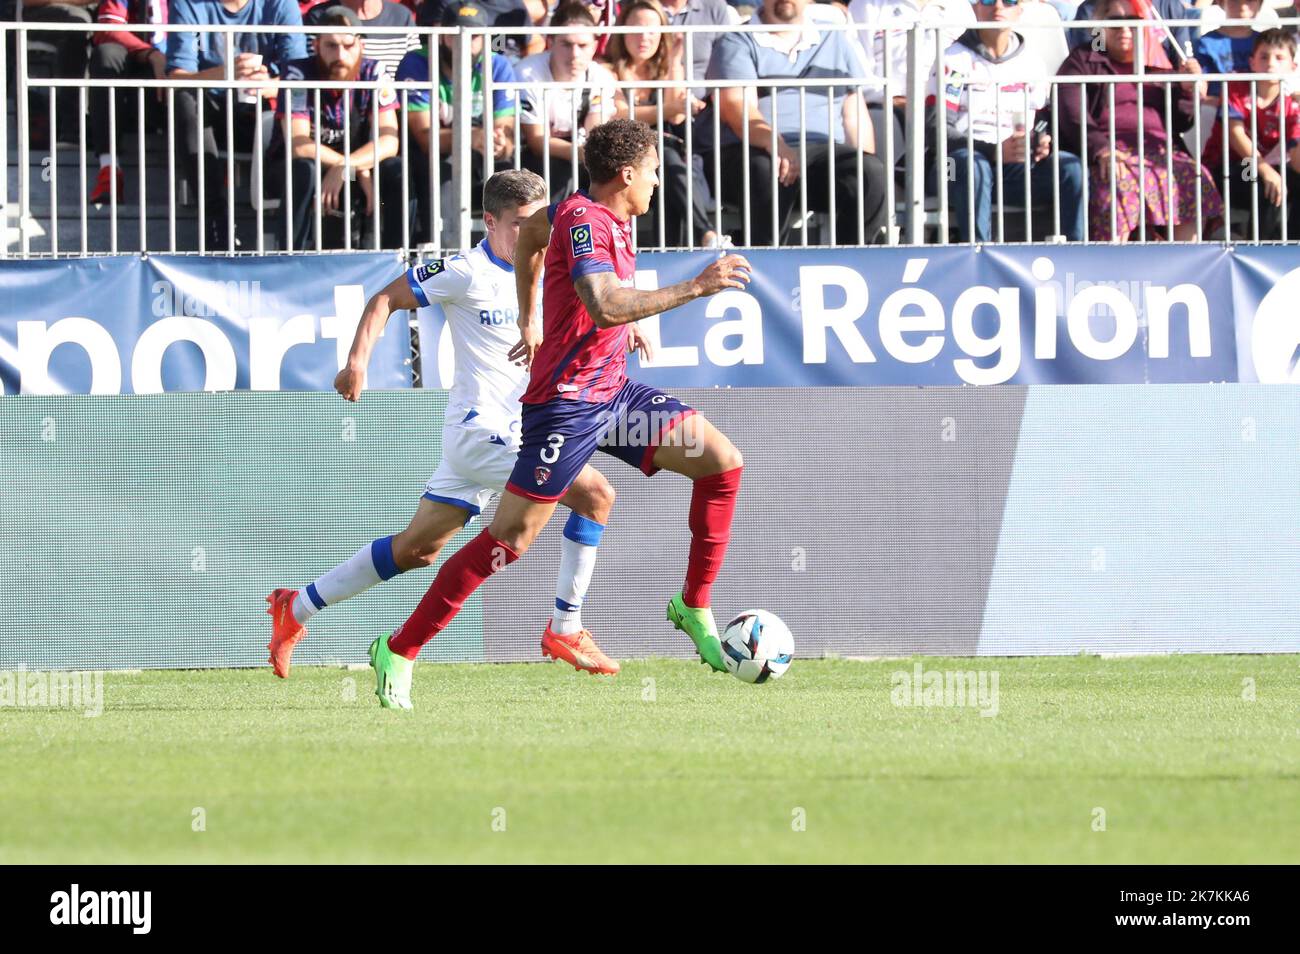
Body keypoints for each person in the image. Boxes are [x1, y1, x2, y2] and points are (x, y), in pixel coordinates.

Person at [366, 119, 752, 709]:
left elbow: (529, 241)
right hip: (566, 408)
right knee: (508, 540)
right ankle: (401, 648)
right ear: (627, 175)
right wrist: (696, 288)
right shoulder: (586, 221)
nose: (656, 182)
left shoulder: (585, 213)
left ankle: (692, 604)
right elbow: (603, 305)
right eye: (652, 171)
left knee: (722, 463)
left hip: (617, 398)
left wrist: (527, 315)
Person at [268, 170, 625, 692]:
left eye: (541, 221)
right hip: (483, 432)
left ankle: (295, 606)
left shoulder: (551, 268)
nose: (535, 233)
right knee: (595, 495)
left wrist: (625, 322)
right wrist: (356, 364)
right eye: (521, 224)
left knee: (417, 549)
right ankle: (565, 626)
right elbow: (382, 300)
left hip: (510, 433)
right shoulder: (465, 271)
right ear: (490, 221)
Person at [702, 0, 889, 246]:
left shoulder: (835, 38)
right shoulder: (737, 40)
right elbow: (737, 108)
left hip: (823, 155)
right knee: (765, 168)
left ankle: (856, 259)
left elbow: (854, 113)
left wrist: (866, 160)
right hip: (756, 152)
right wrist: (776, 145)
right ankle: (764, 270)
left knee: (869, 172)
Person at [1057, 0, 1222, 240]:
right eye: (1115, 22)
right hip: (1108, 154)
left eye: (1133, 22)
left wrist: (1187, 91)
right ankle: (1113, 268)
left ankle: (1185, 264)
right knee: (1117, 184)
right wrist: (1101, 149)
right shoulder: (1082, 60)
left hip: (1159, 152)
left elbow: (1182, 122)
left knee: (1194, 177)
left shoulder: (1158, 66)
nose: (1125, 30)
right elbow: (1072, 113)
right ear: (1101, 25)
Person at [932, 0, 1085, 241]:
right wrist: (994, 151)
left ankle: (1077, 257)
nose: (998, 7)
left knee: (1071, 169)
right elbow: (937, 130)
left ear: (1020, 10)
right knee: (974, 166)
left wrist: (1040, 141)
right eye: (988, 0)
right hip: (954, 171)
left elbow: (1043, 118)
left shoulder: (1032, 63)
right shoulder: (953, 60)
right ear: (975, 8)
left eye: (1010, 1)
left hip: (1013, 171)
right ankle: (978, 256)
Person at [167, 0, 307, 249]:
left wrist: (271, 85)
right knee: (185, 98)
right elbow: (177, 77)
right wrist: (226, 74)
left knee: (298, 109)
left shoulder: (281, 3)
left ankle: (296, 238)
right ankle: (216, 221)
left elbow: (301, 76)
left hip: (266, 108)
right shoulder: (188, 3)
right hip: (212, 110)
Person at [273, 6, 406, 249]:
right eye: (331, 46)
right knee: (303, 170)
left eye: (348, 46)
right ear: (316, 46)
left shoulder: (374, 72)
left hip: (357, 161)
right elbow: (299, 145)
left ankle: (397, 259)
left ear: (361, 47)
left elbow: (390, 142)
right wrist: (354, 169)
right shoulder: (297, 73)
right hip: (313, 164)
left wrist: (347, 166)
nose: (340, 55)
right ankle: (290, 257)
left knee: (396, 169)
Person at [396, 2, 518, 244]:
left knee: (510, 169)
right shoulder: (416, 62)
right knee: (446, 168)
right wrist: (471, 137)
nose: (465, 45)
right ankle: (447, 253)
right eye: (456, 35)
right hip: (436, 154)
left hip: (482, 149)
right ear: (442, 35)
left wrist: (500, 143)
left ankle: (510, 252)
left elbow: (507, 135)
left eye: (474, 37)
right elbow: (424, 138)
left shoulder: (498, 64)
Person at [604, 0, 720, 246]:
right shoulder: (608, 70)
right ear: (622, 31)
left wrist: (675, 59)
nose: (644, 38)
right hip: (620, 160)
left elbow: (677, 116)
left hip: (660, 164)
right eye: (636, 30)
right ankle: (705, 233)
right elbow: (620, 114)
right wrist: (669, 109)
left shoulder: (666, 68)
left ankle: (677, 254)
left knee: (665, 164)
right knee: (662, 159)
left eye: (652, 31)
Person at [516, 2, 624, 198]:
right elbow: (537, 142)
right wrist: (582, 154)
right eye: (566, 44)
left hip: (580, 151)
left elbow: (595, 132)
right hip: (533, 156)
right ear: (551, 42)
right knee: (558, 171)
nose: (574, 54)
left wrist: (590, 155)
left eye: (582, 46)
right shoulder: (527, 73)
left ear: (594, 45)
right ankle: (551, 228)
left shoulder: (601, 77)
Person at [1202, 28, 1300, 239]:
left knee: (1289, 180)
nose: (1271, 63)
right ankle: (1258, 248)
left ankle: (1289, 247)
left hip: (1276, 167)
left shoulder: (1293, 102)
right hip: (1232, 165)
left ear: (1293, 67)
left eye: (1279, 57)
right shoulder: (1235, 86)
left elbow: (1296, 158)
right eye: (1264, 57)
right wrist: (1267, 171)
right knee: (1259, 178)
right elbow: (1235, 135)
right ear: (1252, 62)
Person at [87, 0, 170, 205]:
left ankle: (217, 171)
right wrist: (151, 54)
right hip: (138, 60)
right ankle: (109, 169)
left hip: (183, 69)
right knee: (107, 55)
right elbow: (108, 27)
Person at [304, 0, 418, 79]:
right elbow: (313, 67)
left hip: (392, 105)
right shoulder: (320, 16)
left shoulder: (402, 16)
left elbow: (414, 70)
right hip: (334, 106)